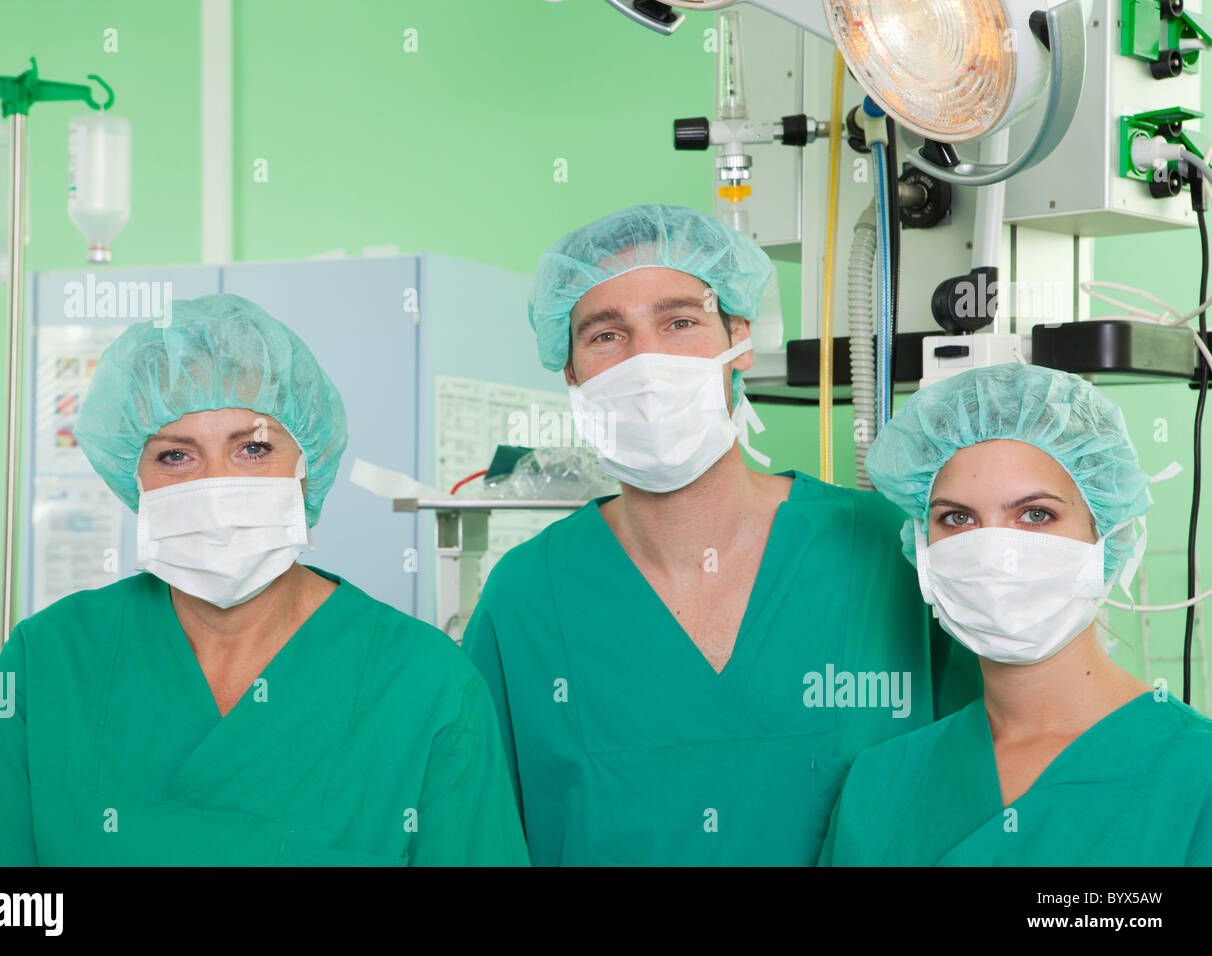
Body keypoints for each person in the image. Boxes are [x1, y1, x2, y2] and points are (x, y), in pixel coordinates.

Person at [0, 294, 528, 867]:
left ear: (307, 467)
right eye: (175, 456)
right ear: (135, 480)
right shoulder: (52, 657)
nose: (215, 489)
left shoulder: (424, 684)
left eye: (254, 450)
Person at [461, 203, 981, 866]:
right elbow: (483, 835)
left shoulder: (888, 552)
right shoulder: (528, 599)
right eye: (605, 335)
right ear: (570, 372)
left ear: (739, 338)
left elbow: (992, 785)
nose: (646, 362)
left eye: (680, 321)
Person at [819, 362, 1212, 865]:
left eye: (1035, 514)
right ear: (922, 546)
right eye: (957, 518)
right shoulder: (880, 784)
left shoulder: (1194, 777)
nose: (993, 550)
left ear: (1107, 535)